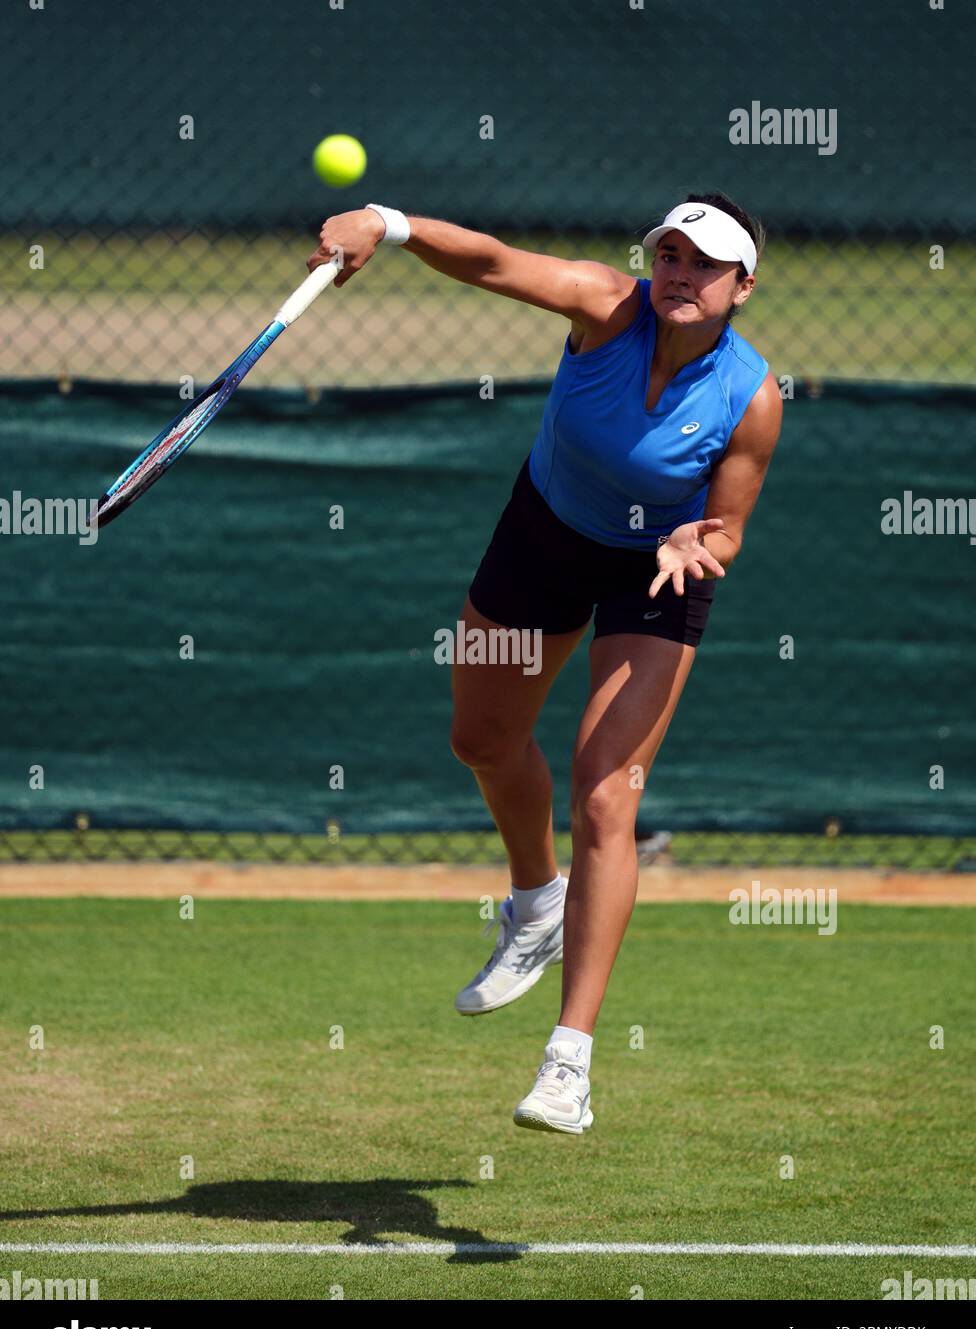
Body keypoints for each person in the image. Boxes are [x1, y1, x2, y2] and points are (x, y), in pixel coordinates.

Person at [307, 193, 783, 1135]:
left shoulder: (753, 398)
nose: (682, 275)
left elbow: (727, 530)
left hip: (658, 571)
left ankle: (569, 1061)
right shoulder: (605, 305)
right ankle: (536, 899)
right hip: (545, 538)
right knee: (480, 738)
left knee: (608, 793)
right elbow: (491, 261)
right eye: (671, 255)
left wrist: (702, 542)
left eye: (706, 264)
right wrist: (390, 226)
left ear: (743, 286)